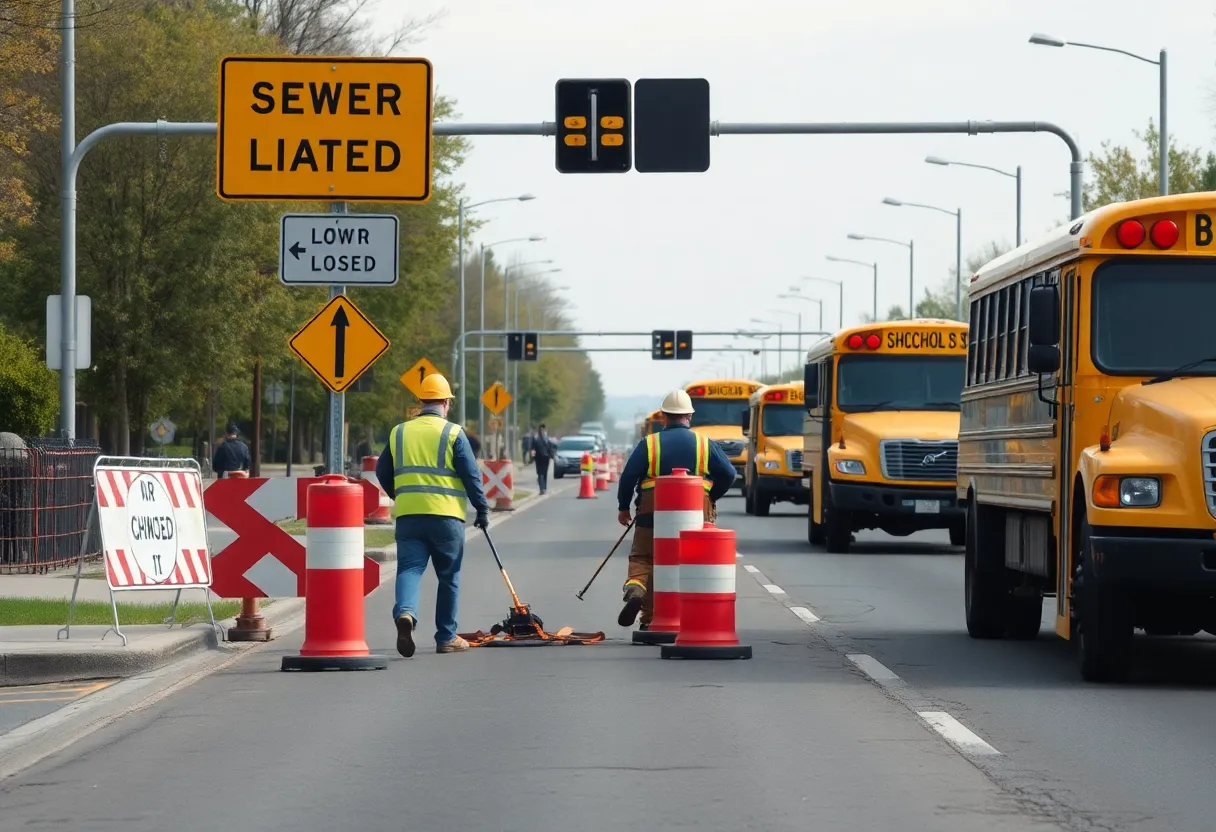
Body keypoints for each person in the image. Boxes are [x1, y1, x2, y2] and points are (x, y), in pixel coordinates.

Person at [375, 373, 490, 658]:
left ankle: (405, 613)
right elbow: (471, 475)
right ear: (446, 402)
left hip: (409, 516)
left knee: (409, 569)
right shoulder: (453, 433)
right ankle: (446, 637)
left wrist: (397, 493)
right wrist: (482, 508)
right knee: (448, 576)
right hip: (446, 517)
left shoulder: (399, 431)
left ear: (420, 402)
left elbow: (381, 471)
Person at [615, 390, 736, 629]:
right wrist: (711, 496)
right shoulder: (703, 442)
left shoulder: (649, 443)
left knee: (645, 557)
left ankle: (643, 604)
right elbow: (729, 474)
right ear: (689, 415)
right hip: (695, 507)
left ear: (663, 417)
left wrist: (623, 507)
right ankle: (689, 616)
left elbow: (628, 476)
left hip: (653, 504)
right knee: (691, 561)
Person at [532, 423, 555, 495]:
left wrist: (532, 457)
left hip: (538, 458)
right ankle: (544, 488)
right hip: (546, 457)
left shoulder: (535, 438)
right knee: (544, 473)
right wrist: (552, 456)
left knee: (540, 473)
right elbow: (551, 448)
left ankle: (542, 488)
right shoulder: (547, 438)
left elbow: (532, 449)